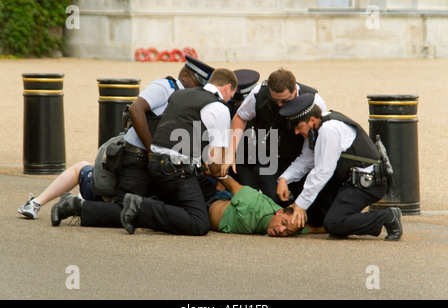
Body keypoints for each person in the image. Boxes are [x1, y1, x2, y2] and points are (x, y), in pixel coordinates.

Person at [22, 56, 215, 224]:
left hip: (158, 163)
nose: (200, 90)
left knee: (152, 205)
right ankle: (74, 205)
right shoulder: (166, 87)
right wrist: (151, 149)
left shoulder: (187, 99)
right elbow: (135, 109)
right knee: (127, 210)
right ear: (185, 76)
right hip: (137, 157)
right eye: (199, 84)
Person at [120, 68, 238, 236]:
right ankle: (142, 207)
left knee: (210, 194)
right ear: (227, 88)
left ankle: (152, 204)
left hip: (154, 163)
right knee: (199, 224)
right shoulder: (220, 109)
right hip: (177, 170)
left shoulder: (180, 94)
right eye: (231, 95)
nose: (229, 100)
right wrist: (227, 177)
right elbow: (215, 163)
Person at [276, 93, 403, 241]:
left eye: (299, 127)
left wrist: (300, 205)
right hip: (349, 181)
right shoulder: (318, 127)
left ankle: (387, 217)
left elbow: (323, 171)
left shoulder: (328, 130)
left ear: (311, 120)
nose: (296, 132)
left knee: (334, 223)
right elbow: (306, 161)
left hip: (367, 184)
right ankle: (343, 219)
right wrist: (284, 179)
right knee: (307, 194)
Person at [228, 68, 327, 206]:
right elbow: (240, 117)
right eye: (275, 101)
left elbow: (308, 154)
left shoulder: (314, 100)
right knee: (275, 202)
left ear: (294, 90)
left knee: (309, 205)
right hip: (269, 157)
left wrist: (285, 178)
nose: (280, 105)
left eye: (285, 101)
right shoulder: (259, 93)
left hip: (299, 157)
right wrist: (230, 152)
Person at [204, 163, 325, 237]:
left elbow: (312, 229)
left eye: (288, 232)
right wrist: (216, 169)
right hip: (213, 201)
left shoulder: (292, 225)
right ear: (279, 212)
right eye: (283, 224)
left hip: (237, 205)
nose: (281, 230)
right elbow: (228, 182)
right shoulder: (254, 205)